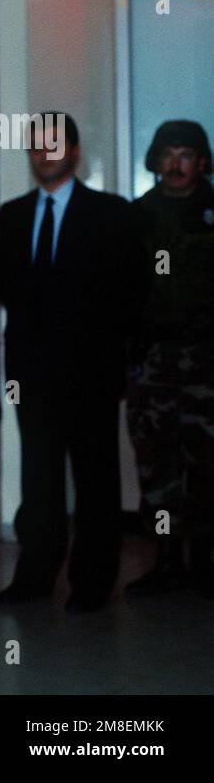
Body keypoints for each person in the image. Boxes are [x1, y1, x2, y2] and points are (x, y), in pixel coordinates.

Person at [0, 112, 135, 613]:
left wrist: (121, 367)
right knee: (40, 480)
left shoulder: (111, 214)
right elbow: (8, 291)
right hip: (32, 377)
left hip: (92, 375)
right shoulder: (11, 217)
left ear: (73, 152)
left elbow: (129, 296)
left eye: (54, 145)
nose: (44, 153)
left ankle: (93, 583)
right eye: (35, 146)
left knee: (97, 481)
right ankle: (35, 575)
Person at [125, 119, 214, 599]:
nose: (177, 164)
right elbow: (118, 292)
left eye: (187, 154)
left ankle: (203, 561)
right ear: (155, 160)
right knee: (156, 467)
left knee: (207, 465)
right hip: (154, 362)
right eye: (168, 154)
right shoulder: (136, 217)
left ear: (203, 161)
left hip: (207, 363)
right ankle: (165, 562)